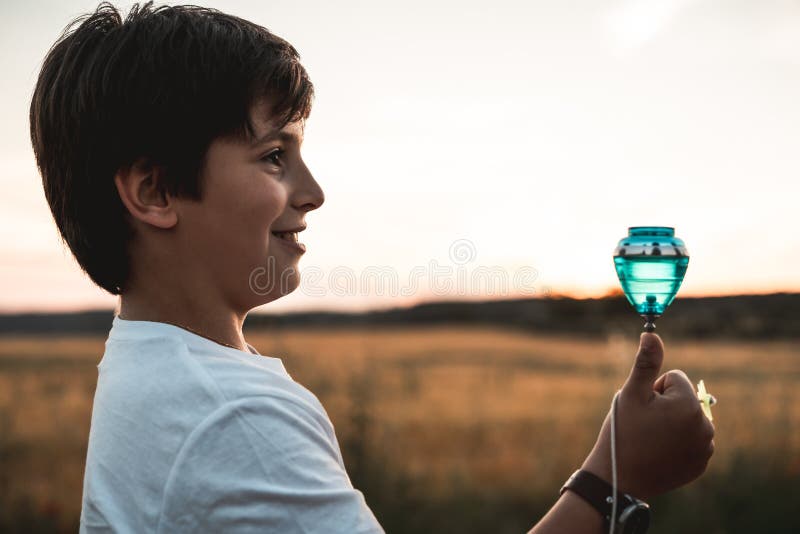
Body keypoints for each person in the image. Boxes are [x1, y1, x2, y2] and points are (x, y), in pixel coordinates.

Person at [29, 2, 714, 533]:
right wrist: (615, 479)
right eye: (274, 156)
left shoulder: (146, 363)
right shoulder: (234, 416)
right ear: (154, 191)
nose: (313, 192)